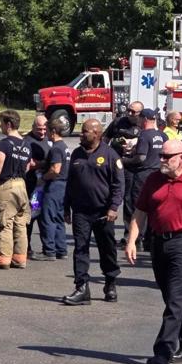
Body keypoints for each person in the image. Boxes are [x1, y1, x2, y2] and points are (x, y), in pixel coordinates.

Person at [124, 138, 182, 364]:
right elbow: (140, 212)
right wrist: (132, 240)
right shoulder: (153, 179)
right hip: (157, 244)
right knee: (170, 298)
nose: (162, 161)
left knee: (175, 300)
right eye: (161, 156)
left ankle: (163, 352)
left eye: (167, 157)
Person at [62, 118, 124, 305]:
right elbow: (70, 183)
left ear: (97, 134)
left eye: (85, 131)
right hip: (81, 211)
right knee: (80, 249)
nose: (81, 134)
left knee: (107, 249)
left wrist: (113, 207)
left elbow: (119, 184)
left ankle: (110, 283)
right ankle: (82, 288)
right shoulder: (77, 154)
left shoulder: (110, 155)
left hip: (103, 212)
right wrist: (66, 207)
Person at [0, 110, 34, 269]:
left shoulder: (3, 144)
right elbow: (28, 166)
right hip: (22, 186)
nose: (0, 126)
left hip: (6, 186)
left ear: (8, 124)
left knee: (3, 223)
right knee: (20, 224)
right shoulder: (27, 145)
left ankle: (2, 259)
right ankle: (19, 258)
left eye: (2, 123)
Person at [121, 109, 166, 249]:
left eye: (140, 119)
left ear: (144, 120)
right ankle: (150, 240)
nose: (139, 121)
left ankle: (137, 239)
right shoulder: (162, 135)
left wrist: (125, 160)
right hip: (159, 173)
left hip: (143, 174)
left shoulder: (144, 135)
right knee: (155, 206)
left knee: (138, 206)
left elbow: (141, 157)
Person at [35, 115, 71, 261]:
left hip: (55, 185)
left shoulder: (56, 148)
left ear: (53, 131)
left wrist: (43, 178)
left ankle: (49, 250)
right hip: (64, 186)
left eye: (48, 130)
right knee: (58, 218)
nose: (46, 133)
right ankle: (61, 249)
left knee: (48, 217)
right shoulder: (64, 146)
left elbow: (55, 169)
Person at [23, 114, 51, 258]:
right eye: (39, 129)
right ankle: (26, 248)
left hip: (46, 187)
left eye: (45, 129)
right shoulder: (27, 141)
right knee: (30, 217)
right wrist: (46, 164)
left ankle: (49, 248)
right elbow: (29, 164)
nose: (42, 132)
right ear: (33, 127)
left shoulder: (48, 139)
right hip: (33, 188)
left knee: (45, 218)